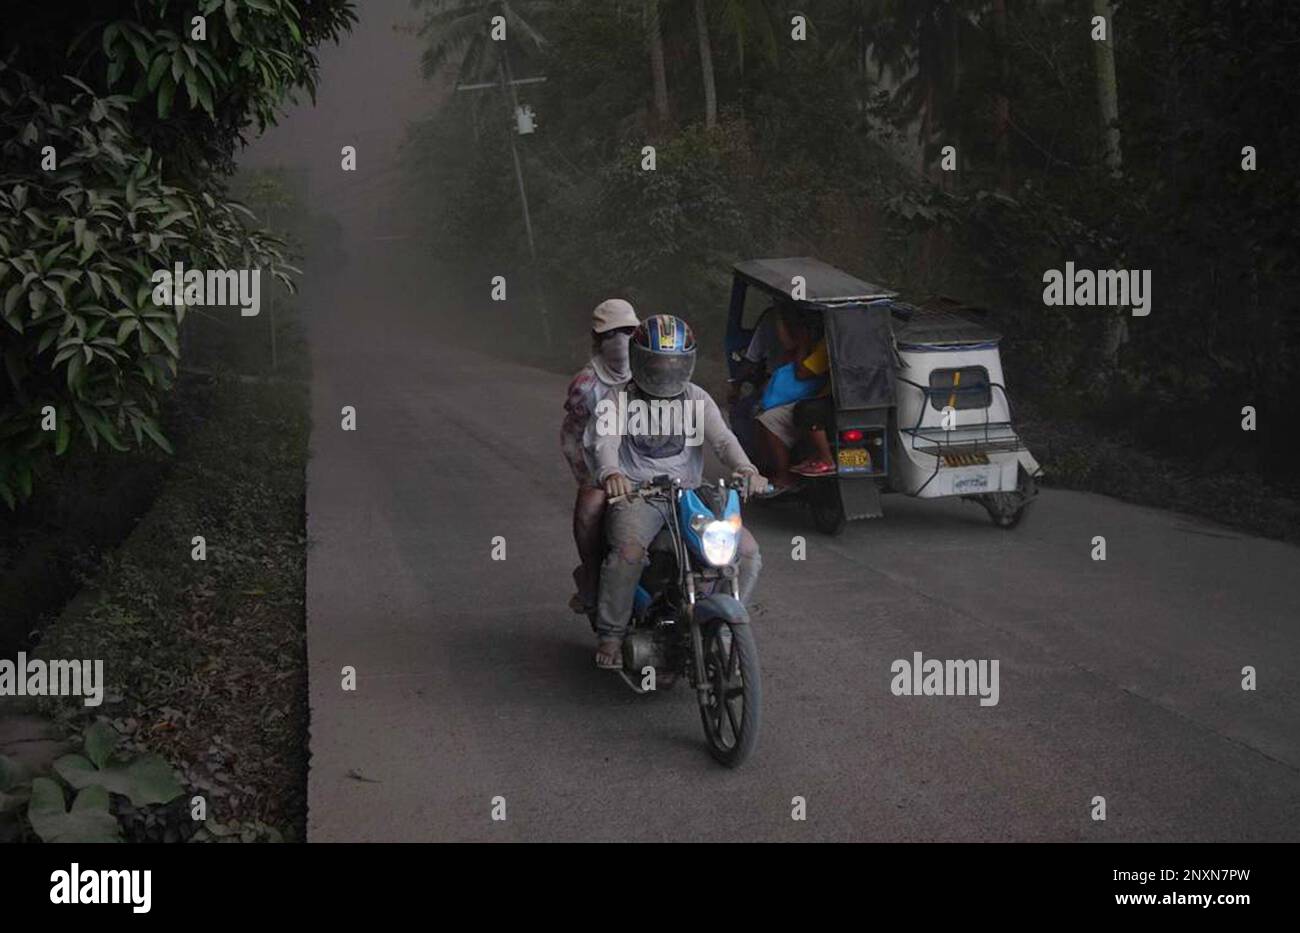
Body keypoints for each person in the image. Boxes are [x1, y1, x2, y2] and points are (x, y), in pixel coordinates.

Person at [591, 314, 768, 669]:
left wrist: (747, 468)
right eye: (658, 363)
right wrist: (612, 473)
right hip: (638, 495)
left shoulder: (696, 398)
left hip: (690, 496)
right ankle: (611, 633)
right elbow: (604, 444)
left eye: (674, 364)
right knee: (627, 552)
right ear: (641, 361)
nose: (666, 371)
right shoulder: (617, 399)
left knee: (746, 552)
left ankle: (725, 627)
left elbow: (723, 440)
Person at [560, 298, 640, 614]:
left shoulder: (653, 370)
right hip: (604, 466)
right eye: (611, 334)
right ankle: (592, 579)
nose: (621, 341)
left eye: (628, 331)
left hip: (651, 461)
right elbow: (571, 434)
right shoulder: (586, 383)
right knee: (588, 510)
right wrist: (588, 477)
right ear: (598, 339)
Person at [754, 310, 833, 489]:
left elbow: (801, 373)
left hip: (820, 400)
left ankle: (784, 475)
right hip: (832, 398)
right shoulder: (845, 343)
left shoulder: (827, 346)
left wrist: (803, 344)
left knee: (767, 419)